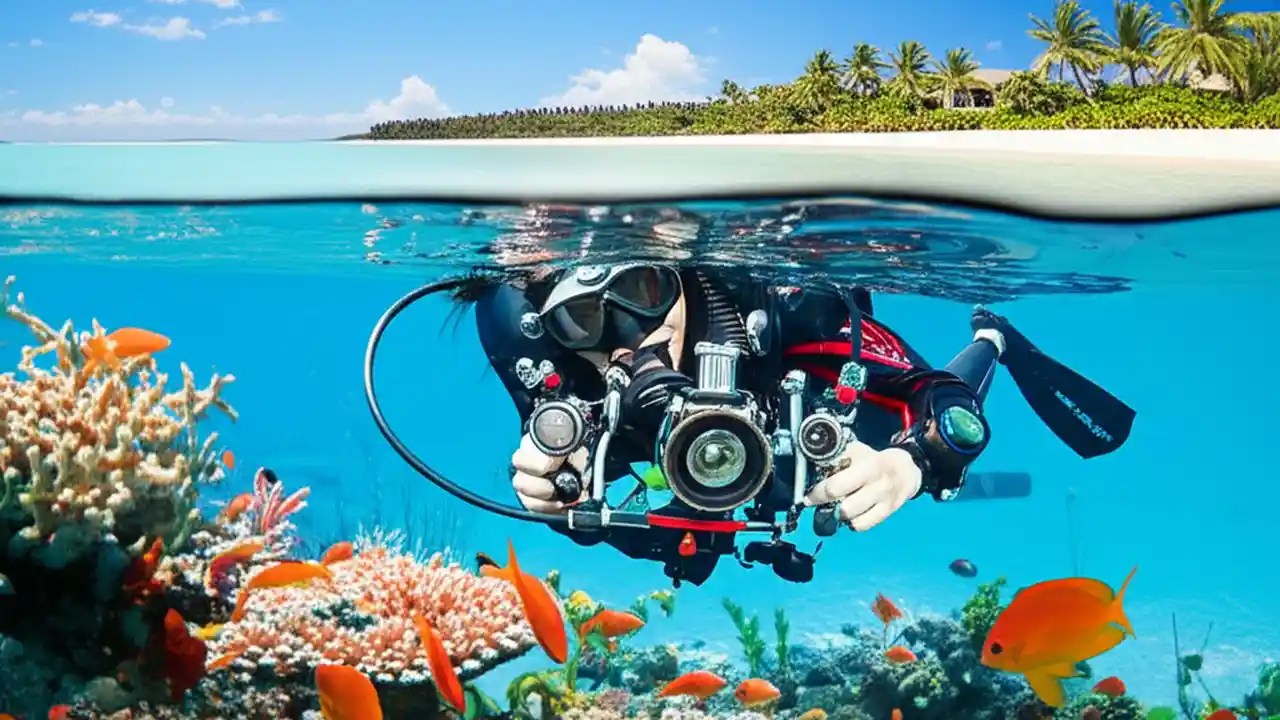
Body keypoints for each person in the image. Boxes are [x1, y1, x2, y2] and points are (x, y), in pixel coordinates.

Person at [454, 262, 1131, 583]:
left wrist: (910, 464)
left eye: (642, 292)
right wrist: (554, 493)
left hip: (794, 413)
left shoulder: (781, 309)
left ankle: (993, 337)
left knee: (854, 438)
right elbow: (574, 484)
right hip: (685, 477)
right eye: (586, 318)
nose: (631, 335)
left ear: (675, 273)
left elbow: (944, 405)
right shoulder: (540, 345)